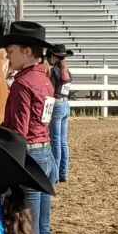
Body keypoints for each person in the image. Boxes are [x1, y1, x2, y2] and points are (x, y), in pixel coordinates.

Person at [0, 21, 58, 234]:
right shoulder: (44, 80)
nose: (8, 55)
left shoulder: (21, 84)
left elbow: (17, 132)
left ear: (27, 51)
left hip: (27, 156)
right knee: (43, 233)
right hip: (44, 154)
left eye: (12, 50)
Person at [48, 44, 73, 183]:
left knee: (55, 142)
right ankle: (63, 173)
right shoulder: (67, 71)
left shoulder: (54, 72)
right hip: (65, 104)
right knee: (63, 142)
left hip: (56, 105)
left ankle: (55, 175)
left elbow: (49, 90)